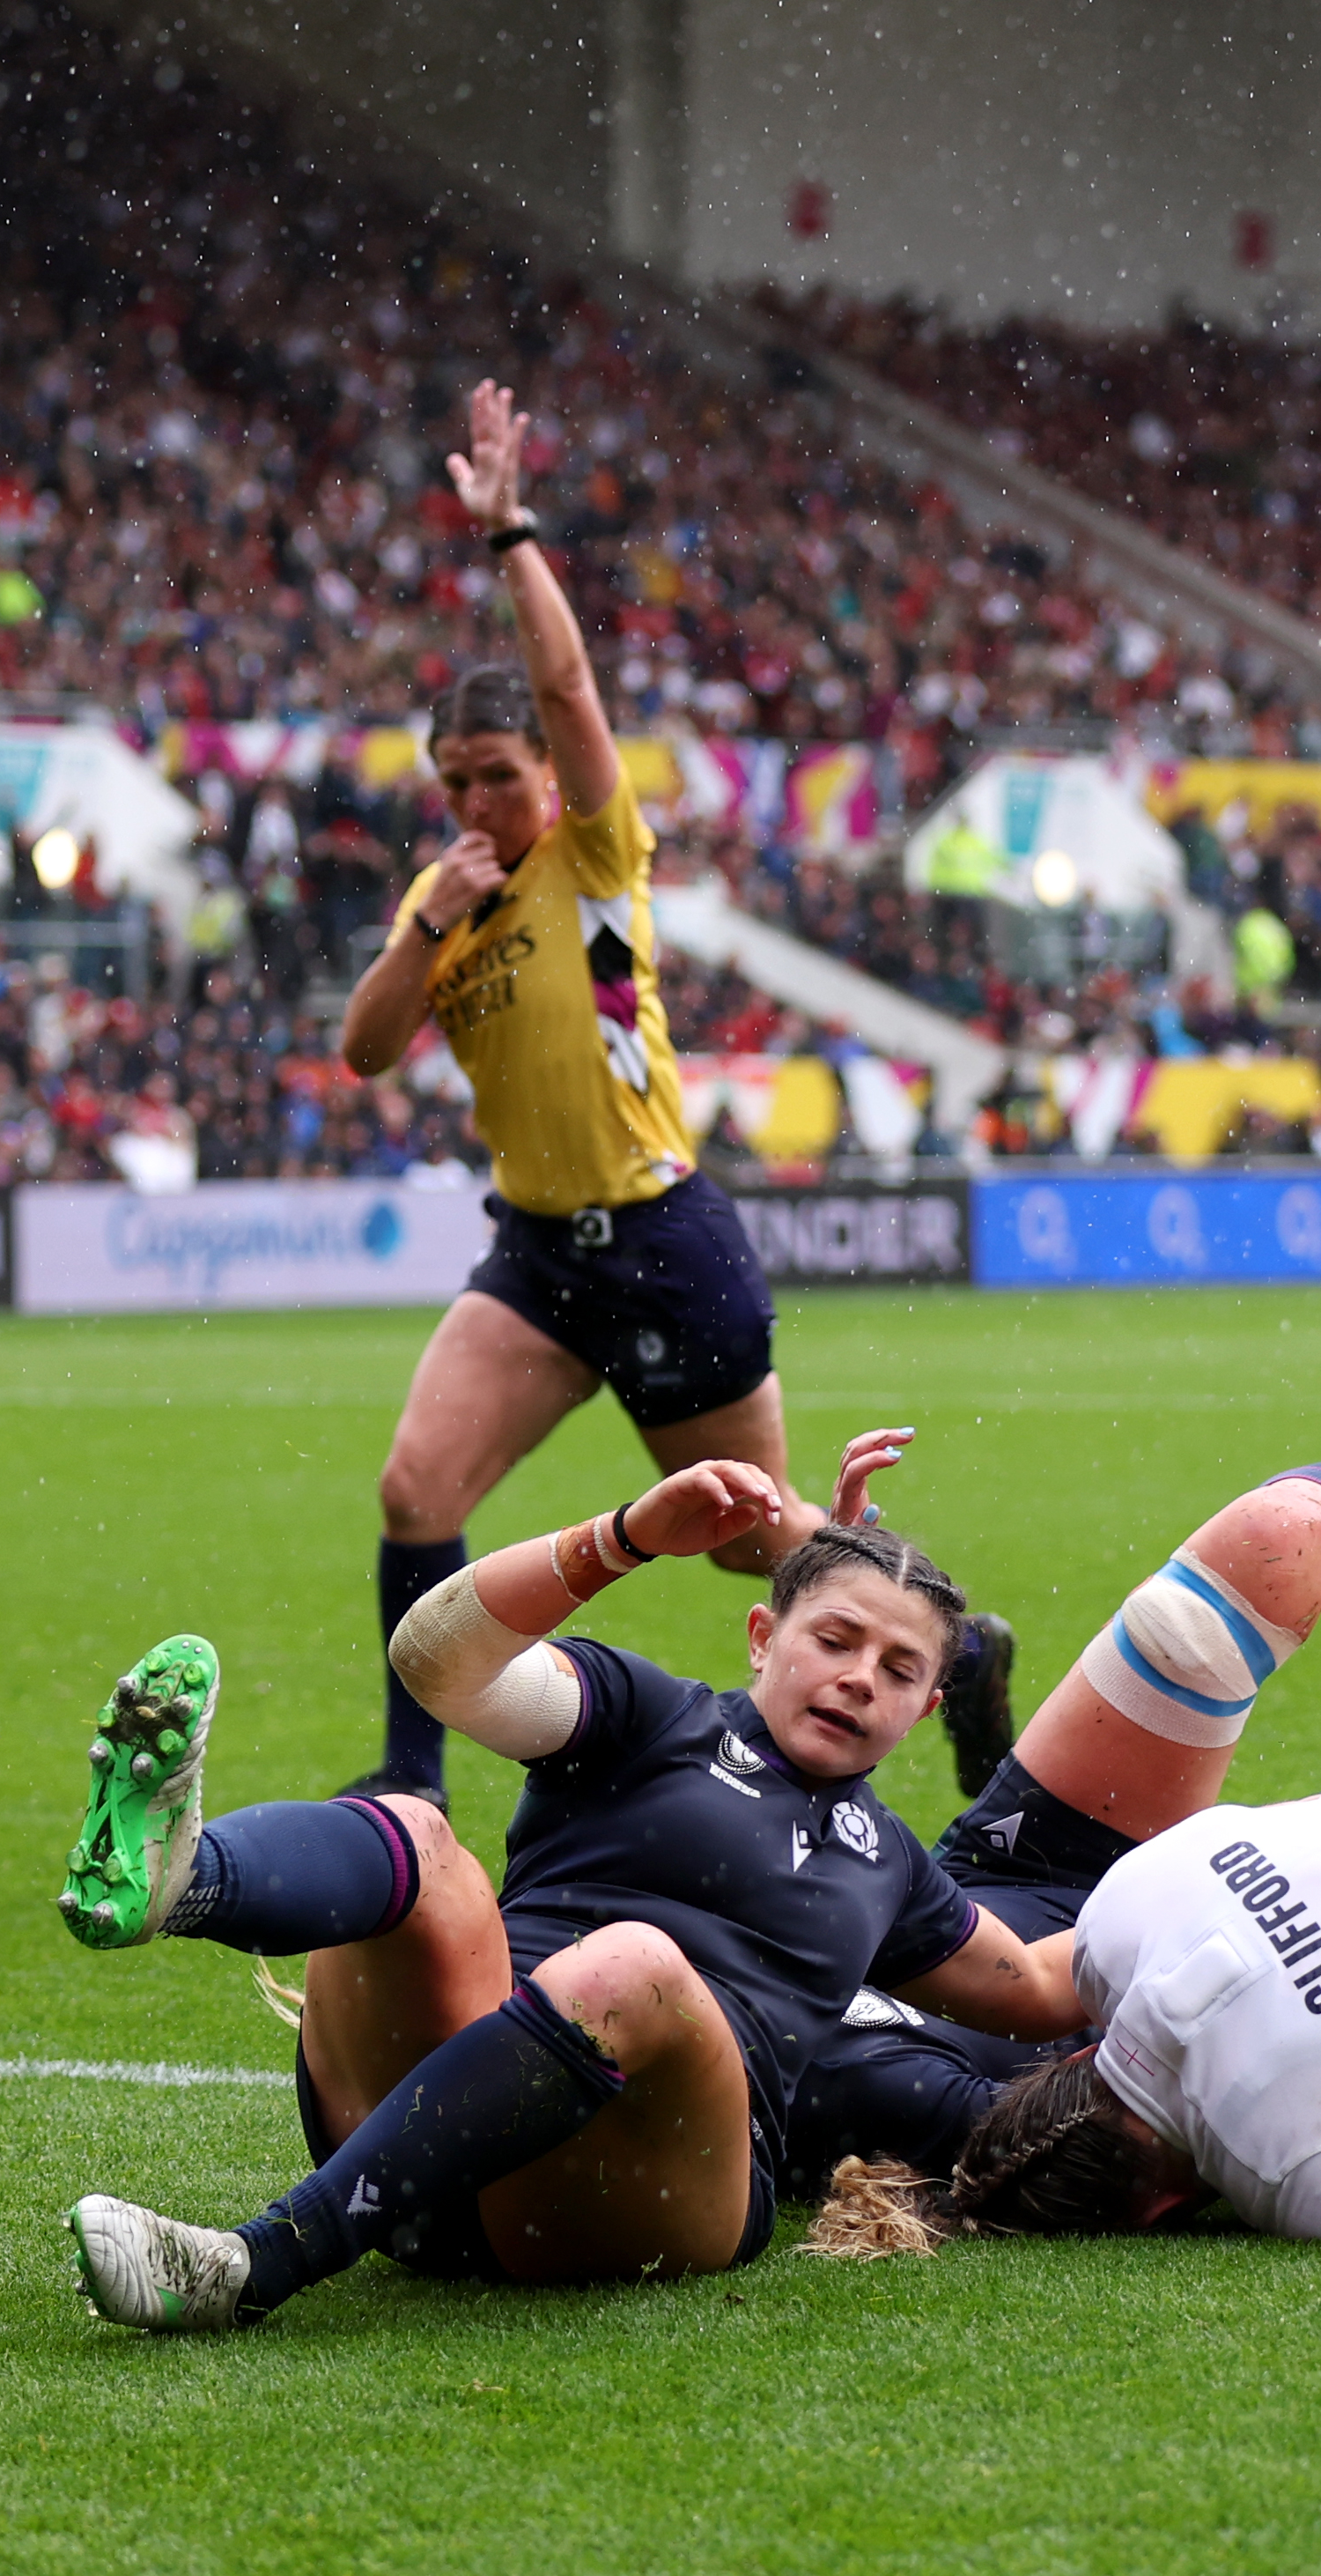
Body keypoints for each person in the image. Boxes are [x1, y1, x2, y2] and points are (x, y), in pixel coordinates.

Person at [336, 380, 1007, 1811]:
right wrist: (423, 924)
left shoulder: (589, 853)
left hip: (658, 1237)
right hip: (535, 1251)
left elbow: (572, 689)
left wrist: (510, 530)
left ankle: (954, 1637)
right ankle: (412, 1783)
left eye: (498, 776)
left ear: (545, 772)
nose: (477, 807)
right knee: (415, 1494)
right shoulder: (445, 894)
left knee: (756, 1543)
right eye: (454, 781)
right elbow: (366, 1047)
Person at [55, 1435, 1084, 2333]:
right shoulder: (658, 1715)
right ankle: (184, 1880)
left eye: (900, 1668)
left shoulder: (892, 1861)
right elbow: (438, 1662)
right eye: (835, 1638)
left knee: (634, 1963)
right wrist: (625, 1534)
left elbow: (1037, 1988)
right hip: (450, 2113)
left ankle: (252, 2261)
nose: (862, 1674)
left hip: (649, 2186)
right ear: (764, 1638)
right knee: (419, 1828)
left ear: (927, 1704)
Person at [796, 1277, 1321, 2244]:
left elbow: (787, 1809)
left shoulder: (658, 1869)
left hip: (1009, 1875)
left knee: (1266, 1551)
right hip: (1174, 1964)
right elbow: (1128, 2129)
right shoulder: (843, 2096)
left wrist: (855, 1579)